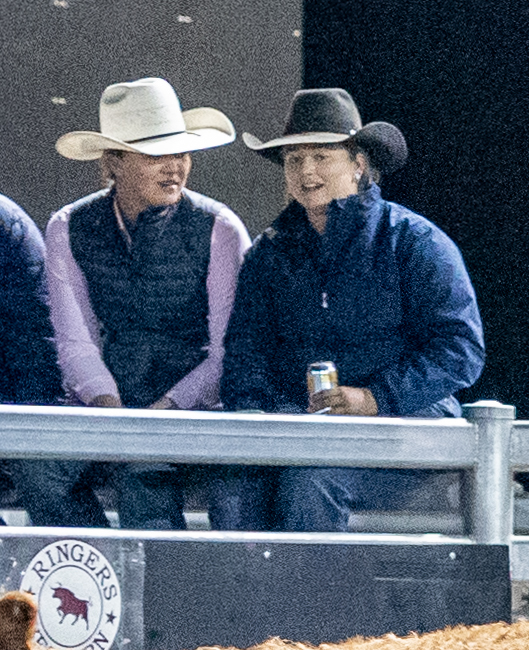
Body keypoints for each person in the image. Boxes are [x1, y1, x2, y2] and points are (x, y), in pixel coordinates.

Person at [220, 93, 481, 537]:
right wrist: (259, 420)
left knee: (311, 482)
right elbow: (246, 350)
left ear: (359, 163)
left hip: (404, 424)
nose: (306, 171)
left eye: (322, 156)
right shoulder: (270, 253)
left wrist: (375, 398)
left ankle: (315, 607)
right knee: (235, 489)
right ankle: (241, 608)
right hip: (302, 428)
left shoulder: (413, 242)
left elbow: (460, 350)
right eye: (294, 158)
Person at [38, 81, 246, 529]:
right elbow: (75, 341)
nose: (174, 168)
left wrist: (164, 412)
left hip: (191, 408)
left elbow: (228, 350)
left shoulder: (220, 229)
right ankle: (94, 578)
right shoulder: (68, 226)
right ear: (114, 163)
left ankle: (158, 596)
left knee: (143, 480)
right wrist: (112, 411)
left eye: (181, 154)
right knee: (41, 470)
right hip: (106, 404)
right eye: (155, 155)